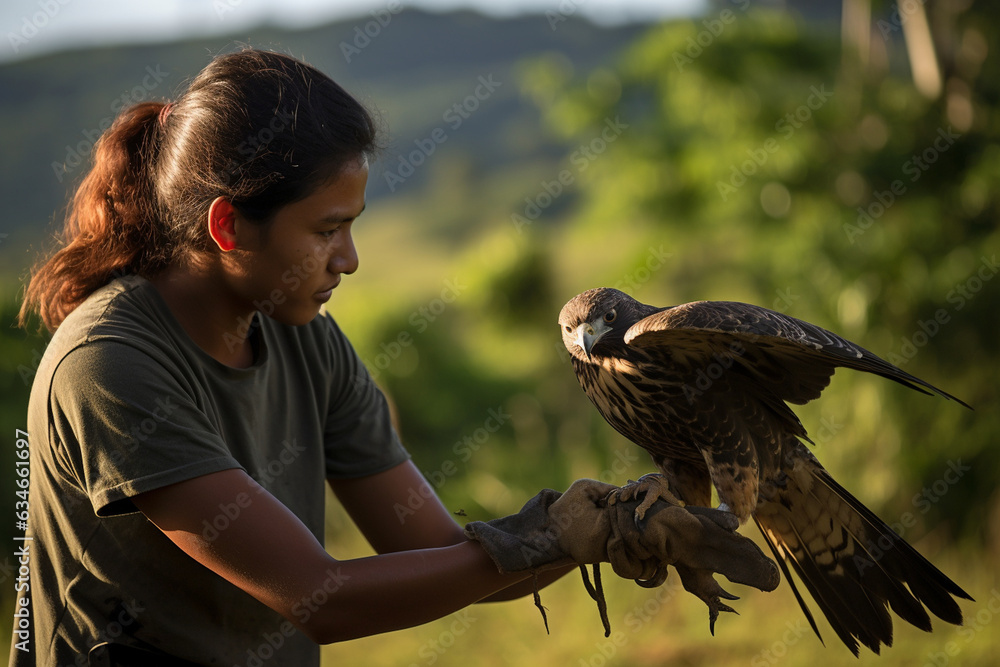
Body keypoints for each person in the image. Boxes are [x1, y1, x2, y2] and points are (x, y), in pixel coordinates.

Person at [11, 48, 775, 666]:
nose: (349, 259)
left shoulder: (304, 334)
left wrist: (598, 529)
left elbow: (440, 555)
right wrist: (550, 538)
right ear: (228, 225)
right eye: (325, 230)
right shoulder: (109, 364)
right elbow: (323, 597)